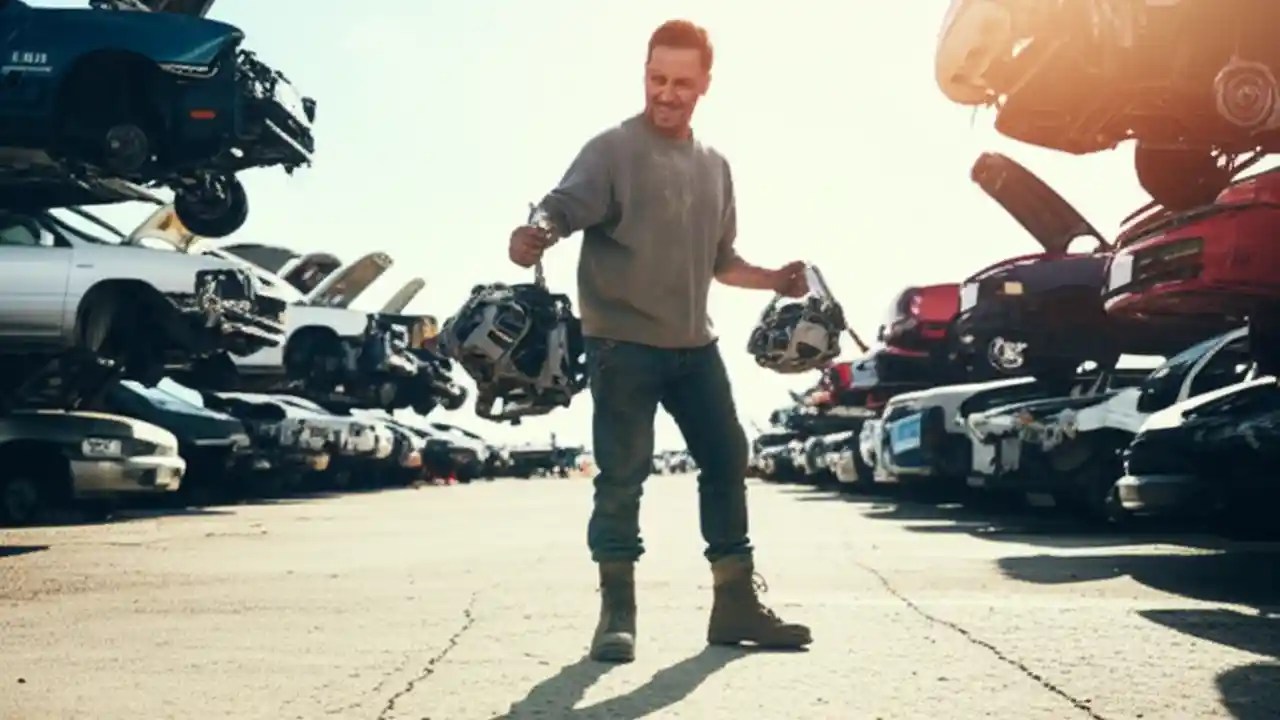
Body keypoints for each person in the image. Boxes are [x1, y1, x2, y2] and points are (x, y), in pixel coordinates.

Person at [508, 18, 813, 663]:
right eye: (656, 79)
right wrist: (534, 231)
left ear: (705, 84)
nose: (666, 93)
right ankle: (617, 613)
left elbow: (722, 261)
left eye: (681, 82)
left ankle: (735, 604)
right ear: (644, 74)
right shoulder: (612, 150)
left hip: (694, 346)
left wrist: (773, 281)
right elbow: (558, 208)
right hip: (622, 344)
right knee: (622, 476)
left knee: (728, 458)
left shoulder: (715, 166)